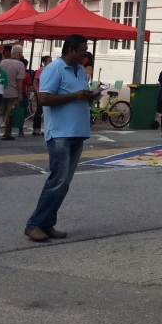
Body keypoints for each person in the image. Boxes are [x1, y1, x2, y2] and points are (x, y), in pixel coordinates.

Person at [25, 35, 101, 242]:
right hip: (60, 132)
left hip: (77, 130)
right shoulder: (54, 69)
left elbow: (77, 94)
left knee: (64, 181)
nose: (86, 54)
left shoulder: (80, 71)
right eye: (83, 50)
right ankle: (34, 224)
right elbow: (44, 98)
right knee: (58, 179)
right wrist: (75, 96)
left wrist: (90, 95)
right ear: (71, 50)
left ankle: (47, 223)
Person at [0, 44, 26, 141]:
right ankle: (7, 133)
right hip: (13, 93)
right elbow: (19, 81)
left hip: (0, 91)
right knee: (10, 113)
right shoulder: (20, 65)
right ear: (19, 54)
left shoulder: (1, 63)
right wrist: (20, 94)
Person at [32, 55, 51, 136]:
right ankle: (36, 128)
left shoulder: (51, 70)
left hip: (47, 91)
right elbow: (34, 82)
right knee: (39, 110)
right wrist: (37, 92)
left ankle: (39, 128)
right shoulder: (40, 70)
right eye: (49, 61)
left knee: (44, 110)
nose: (50, 62)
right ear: (44, 62)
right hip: (40, 91)